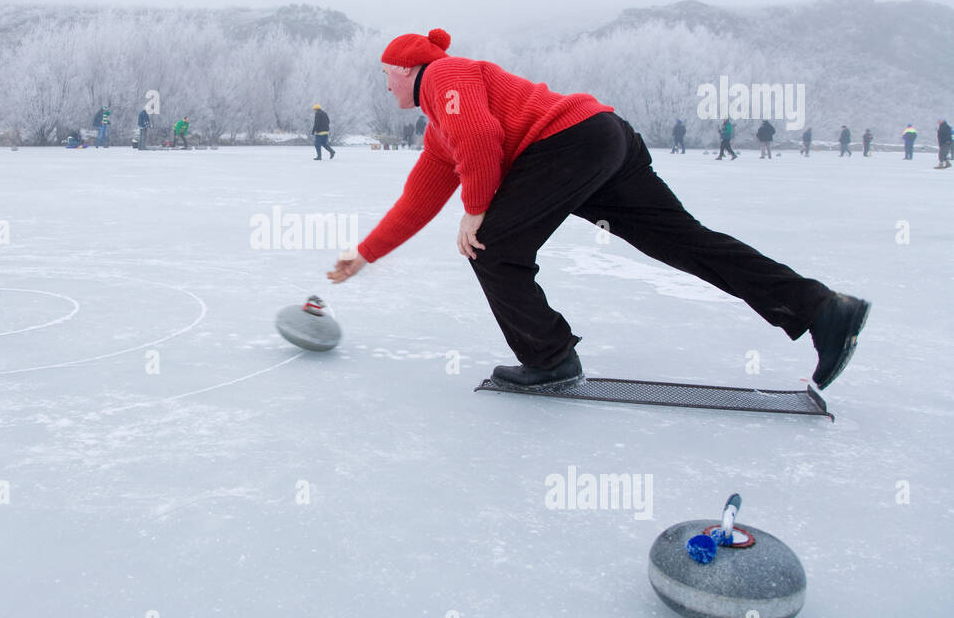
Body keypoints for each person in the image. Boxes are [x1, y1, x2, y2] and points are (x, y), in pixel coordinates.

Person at [326, 27, 868, 391]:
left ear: (406, 66)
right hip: (602, 142)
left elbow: (481, 134)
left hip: (571, 143)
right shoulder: (438, 132)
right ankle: (821, 310)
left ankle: (549, 358)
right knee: (684, 241)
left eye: (385, 72)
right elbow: (417, 202)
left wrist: (475, 208)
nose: (385, 81)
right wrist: (365, 255)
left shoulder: (445, 76)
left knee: (491, 248)